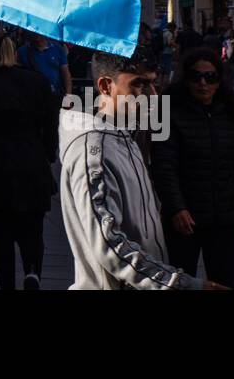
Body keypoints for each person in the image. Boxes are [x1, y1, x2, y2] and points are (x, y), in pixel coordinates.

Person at [59, 51, 223, 290]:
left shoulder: (125, 138)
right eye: (140, 84)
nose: (152, 94)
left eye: (153, 83)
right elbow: (109, 243)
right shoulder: (96, 150)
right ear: (106, 85)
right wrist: (180, 284)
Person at [0, 37, 59, 290]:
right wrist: (48, 153)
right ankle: (32, 271)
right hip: (32, 161)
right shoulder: (38, 82)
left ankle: (7, 284)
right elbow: (50, 125)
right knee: (33, 229)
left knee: (1, 232)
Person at [151, 48, 234, 288]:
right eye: (196, 77)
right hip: (185, 216)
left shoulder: (232, 112)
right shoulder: (166, 111)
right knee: (179, 280)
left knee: (224, 281)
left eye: (210, 77)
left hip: (224, 215)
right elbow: (163, 165)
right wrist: (176, 207)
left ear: (219, 80)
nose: (202, 83)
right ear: (186, 79)